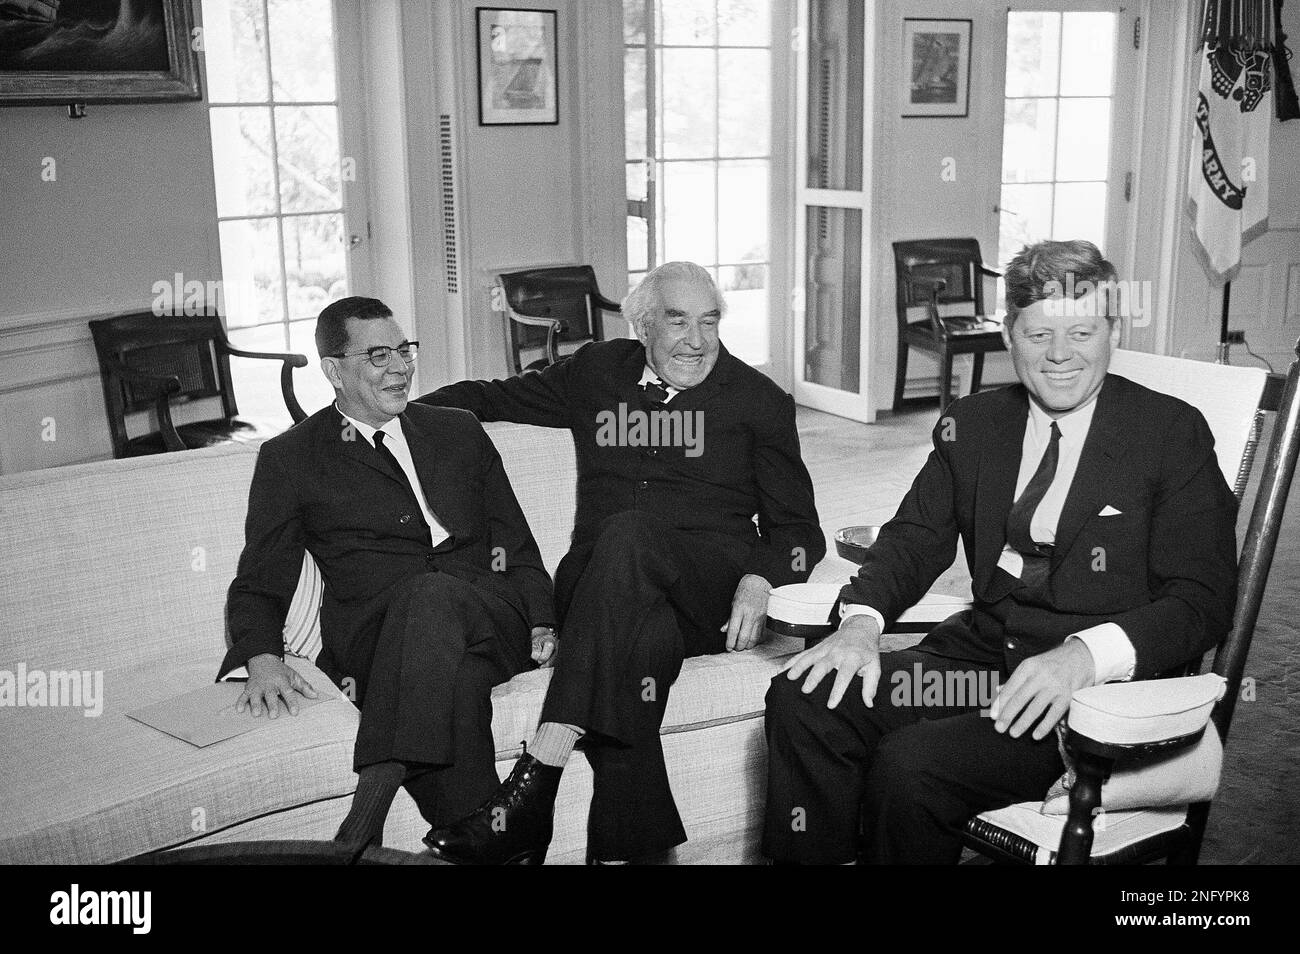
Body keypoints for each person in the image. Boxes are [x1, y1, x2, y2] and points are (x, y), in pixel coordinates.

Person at [763, 240, 1239, 864]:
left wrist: (1083, 658)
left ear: (1112, 332)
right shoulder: (976, 424)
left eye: (1083, 332)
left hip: (1090, 701)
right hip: (978, 667)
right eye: (1039, 333)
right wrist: (860, 622)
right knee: (806, 698)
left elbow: (1202, 601)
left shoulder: (1169, 432)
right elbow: (912, 540)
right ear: (1008, 335)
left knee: (913, 768)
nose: (1061, 354)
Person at [416, 261, 824, 864]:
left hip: (703, 589)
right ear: (641, 325)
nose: (696, 340)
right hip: (602, 587)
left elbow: (799, 532)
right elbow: (491, 398)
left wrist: (763, 578)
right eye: (677, 321)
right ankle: (635, 851)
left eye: (708, 322)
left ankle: (541, 770)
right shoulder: (597, 371)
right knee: (636, 648)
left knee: (631, 535)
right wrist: (394, 413)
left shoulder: (757, 400)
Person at [218, 296, 556, 856]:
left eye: (404, 350)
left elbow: (516, 545)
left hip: (491, 618)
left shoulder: (458, 430)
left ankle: (364, 817)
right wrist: (262, 657)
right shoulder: (291, 457)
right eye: (379, 355)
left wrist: (543, 620)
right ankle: (500, 841)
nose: (401, 368)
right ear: (333, 369)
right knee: (456, 682)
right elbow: (259, 579)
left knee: (433, 595)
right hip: (380, 643)